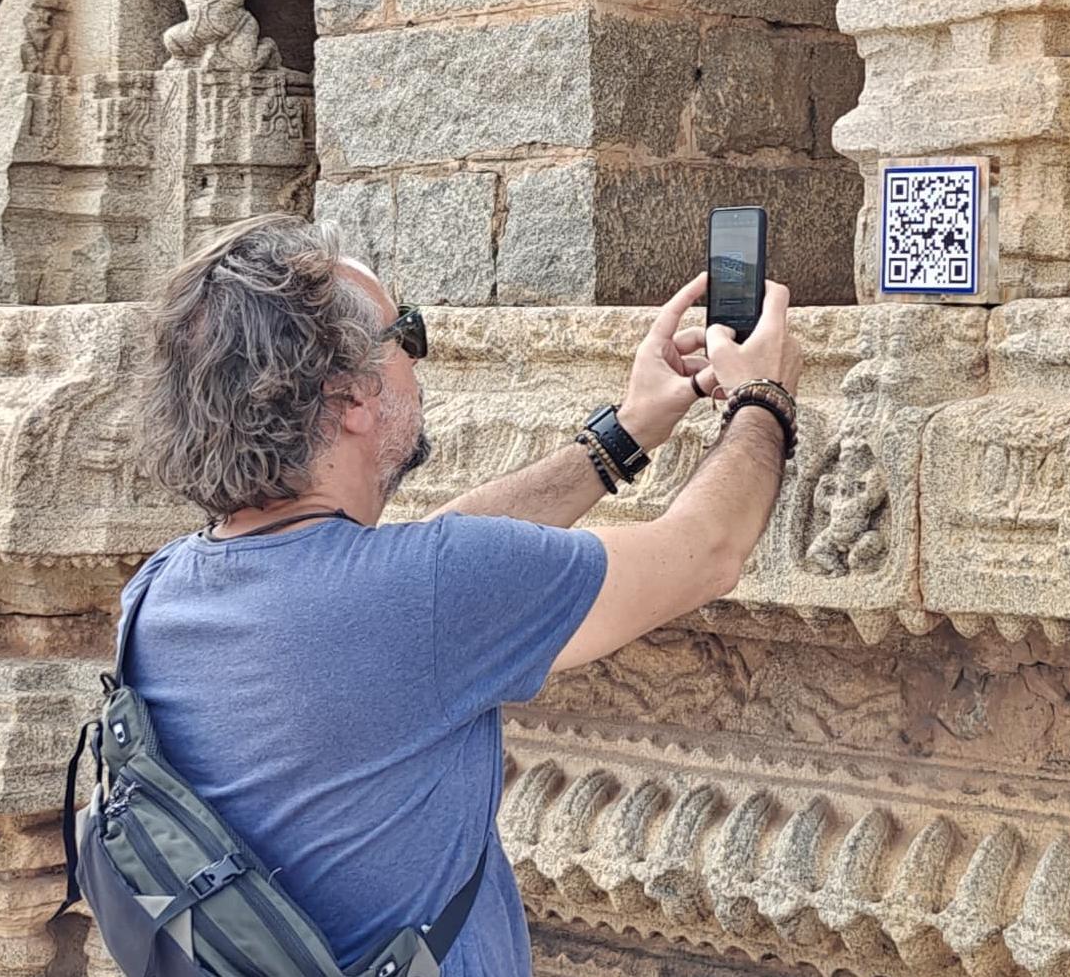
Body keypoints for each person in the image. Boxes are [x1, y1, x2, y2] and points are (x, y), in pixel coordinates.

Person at [117, 213, 800, 977]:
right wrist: (762, 396)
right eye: (404, 333)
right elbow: (707, 549)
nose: (416, 358)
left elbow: (420, 570)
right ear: (349, 395)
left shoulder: (161, 592)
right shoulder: (422, 597)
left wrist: (628, 431)